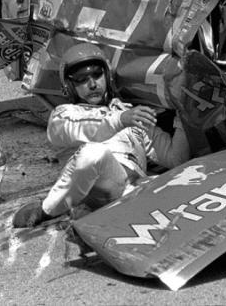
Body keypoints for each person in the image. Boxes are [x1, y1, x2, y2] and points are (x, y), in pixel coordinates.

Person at [13, 43, 190, 227]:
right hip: (96, 196)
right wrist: (120, 119)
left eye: (97, 74)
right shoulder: (64, 114)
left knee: (191, 180)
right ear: (69, 86)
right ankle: (46, 210)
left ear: (107, 75)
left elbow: (176, 160)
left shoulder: (132, 115)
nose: (92, 84)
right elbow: (75, 131)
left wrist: (184, 113)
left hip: (137, 191)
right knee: (93, 153)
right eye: (81, 79)